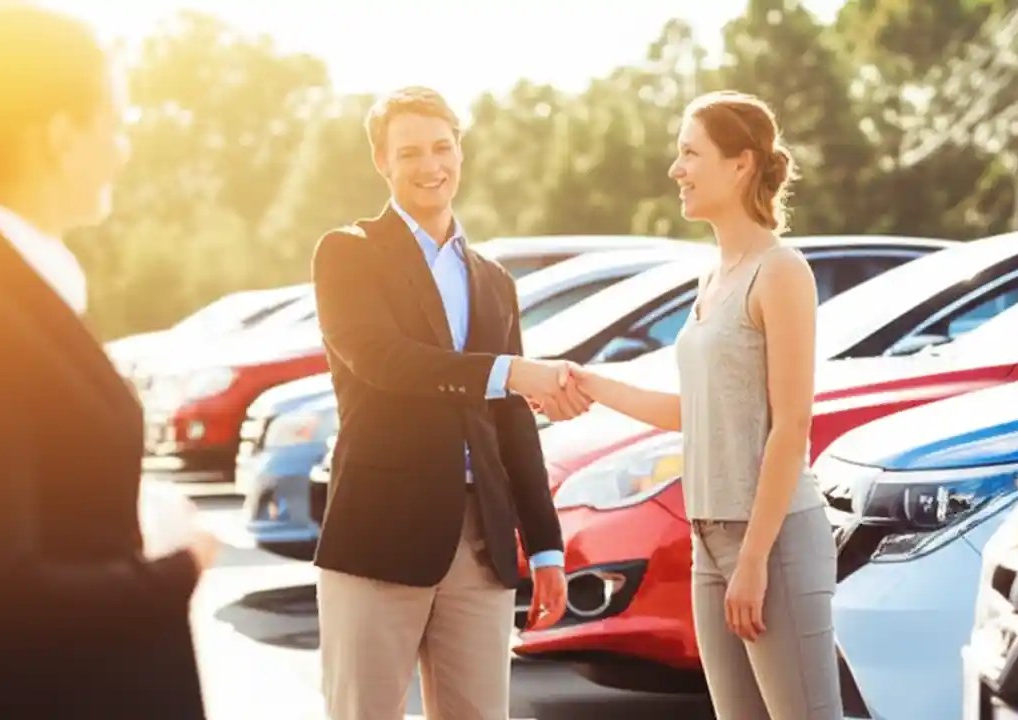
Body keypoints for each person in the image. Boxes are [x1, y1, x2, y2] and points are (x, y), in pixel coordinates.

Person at [0, 5, 218, 719]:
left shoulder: (14, 288)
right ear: (59, 136)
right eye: (115, 123)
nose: (123, 150)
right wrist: (177, 563)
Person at [310, 86, 589, 720]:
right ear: (382, 162)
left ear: (461, 150)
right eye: (409, 152)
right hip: (380, 533)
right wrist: (512, 371)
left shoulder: (493, 279)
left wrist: (545, 546)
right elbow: (383, 361)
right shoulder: (347, 252)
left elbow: (512, 419)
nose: (429, 165)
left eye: (442, 147)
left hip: (480, 545)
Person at [568, 91, 843, 719]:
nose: (677, 170)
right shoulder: (713, 276)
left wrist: (752, 562)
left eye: (690, 153)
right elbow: (692, 411)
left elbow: (790, 426)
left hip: (771, 542)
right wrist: (589, 382)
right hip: (708, 540)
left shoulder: (779, 271)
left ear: (740, 164)